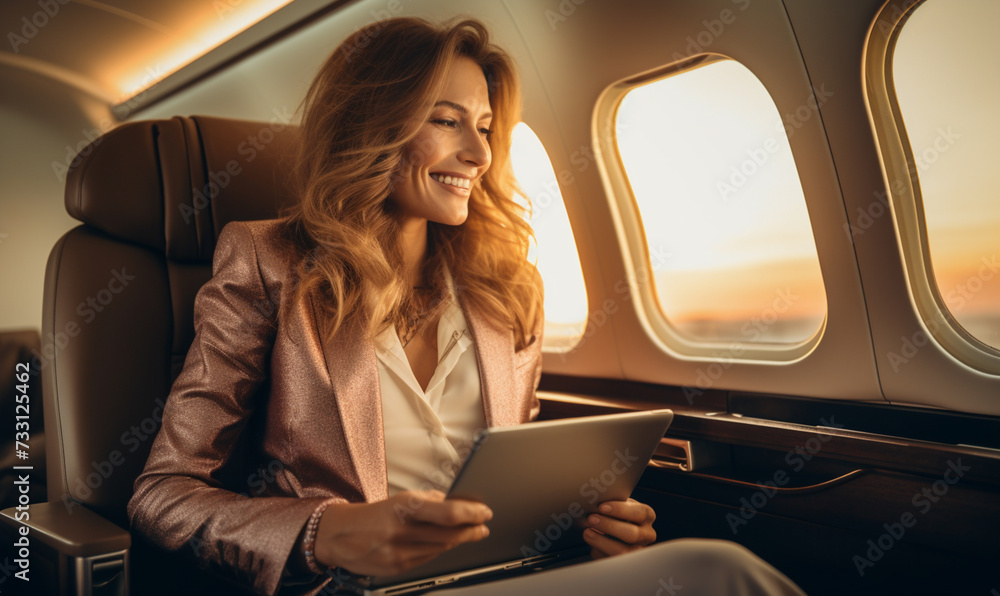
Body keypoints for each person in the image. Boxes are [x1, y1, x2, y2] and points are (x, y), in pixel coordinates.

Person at [127, 16, 806, 596]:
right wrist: (324, 534)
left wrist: (585, 526)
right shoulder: (265, 260)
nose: (479, 153)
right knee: (717, 572)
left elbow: (508, 485)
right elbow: (164, 495)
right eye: (447, 121)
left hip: (507, 576)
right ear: (370, 125)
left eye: (484, 126)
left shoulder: (509, 290)